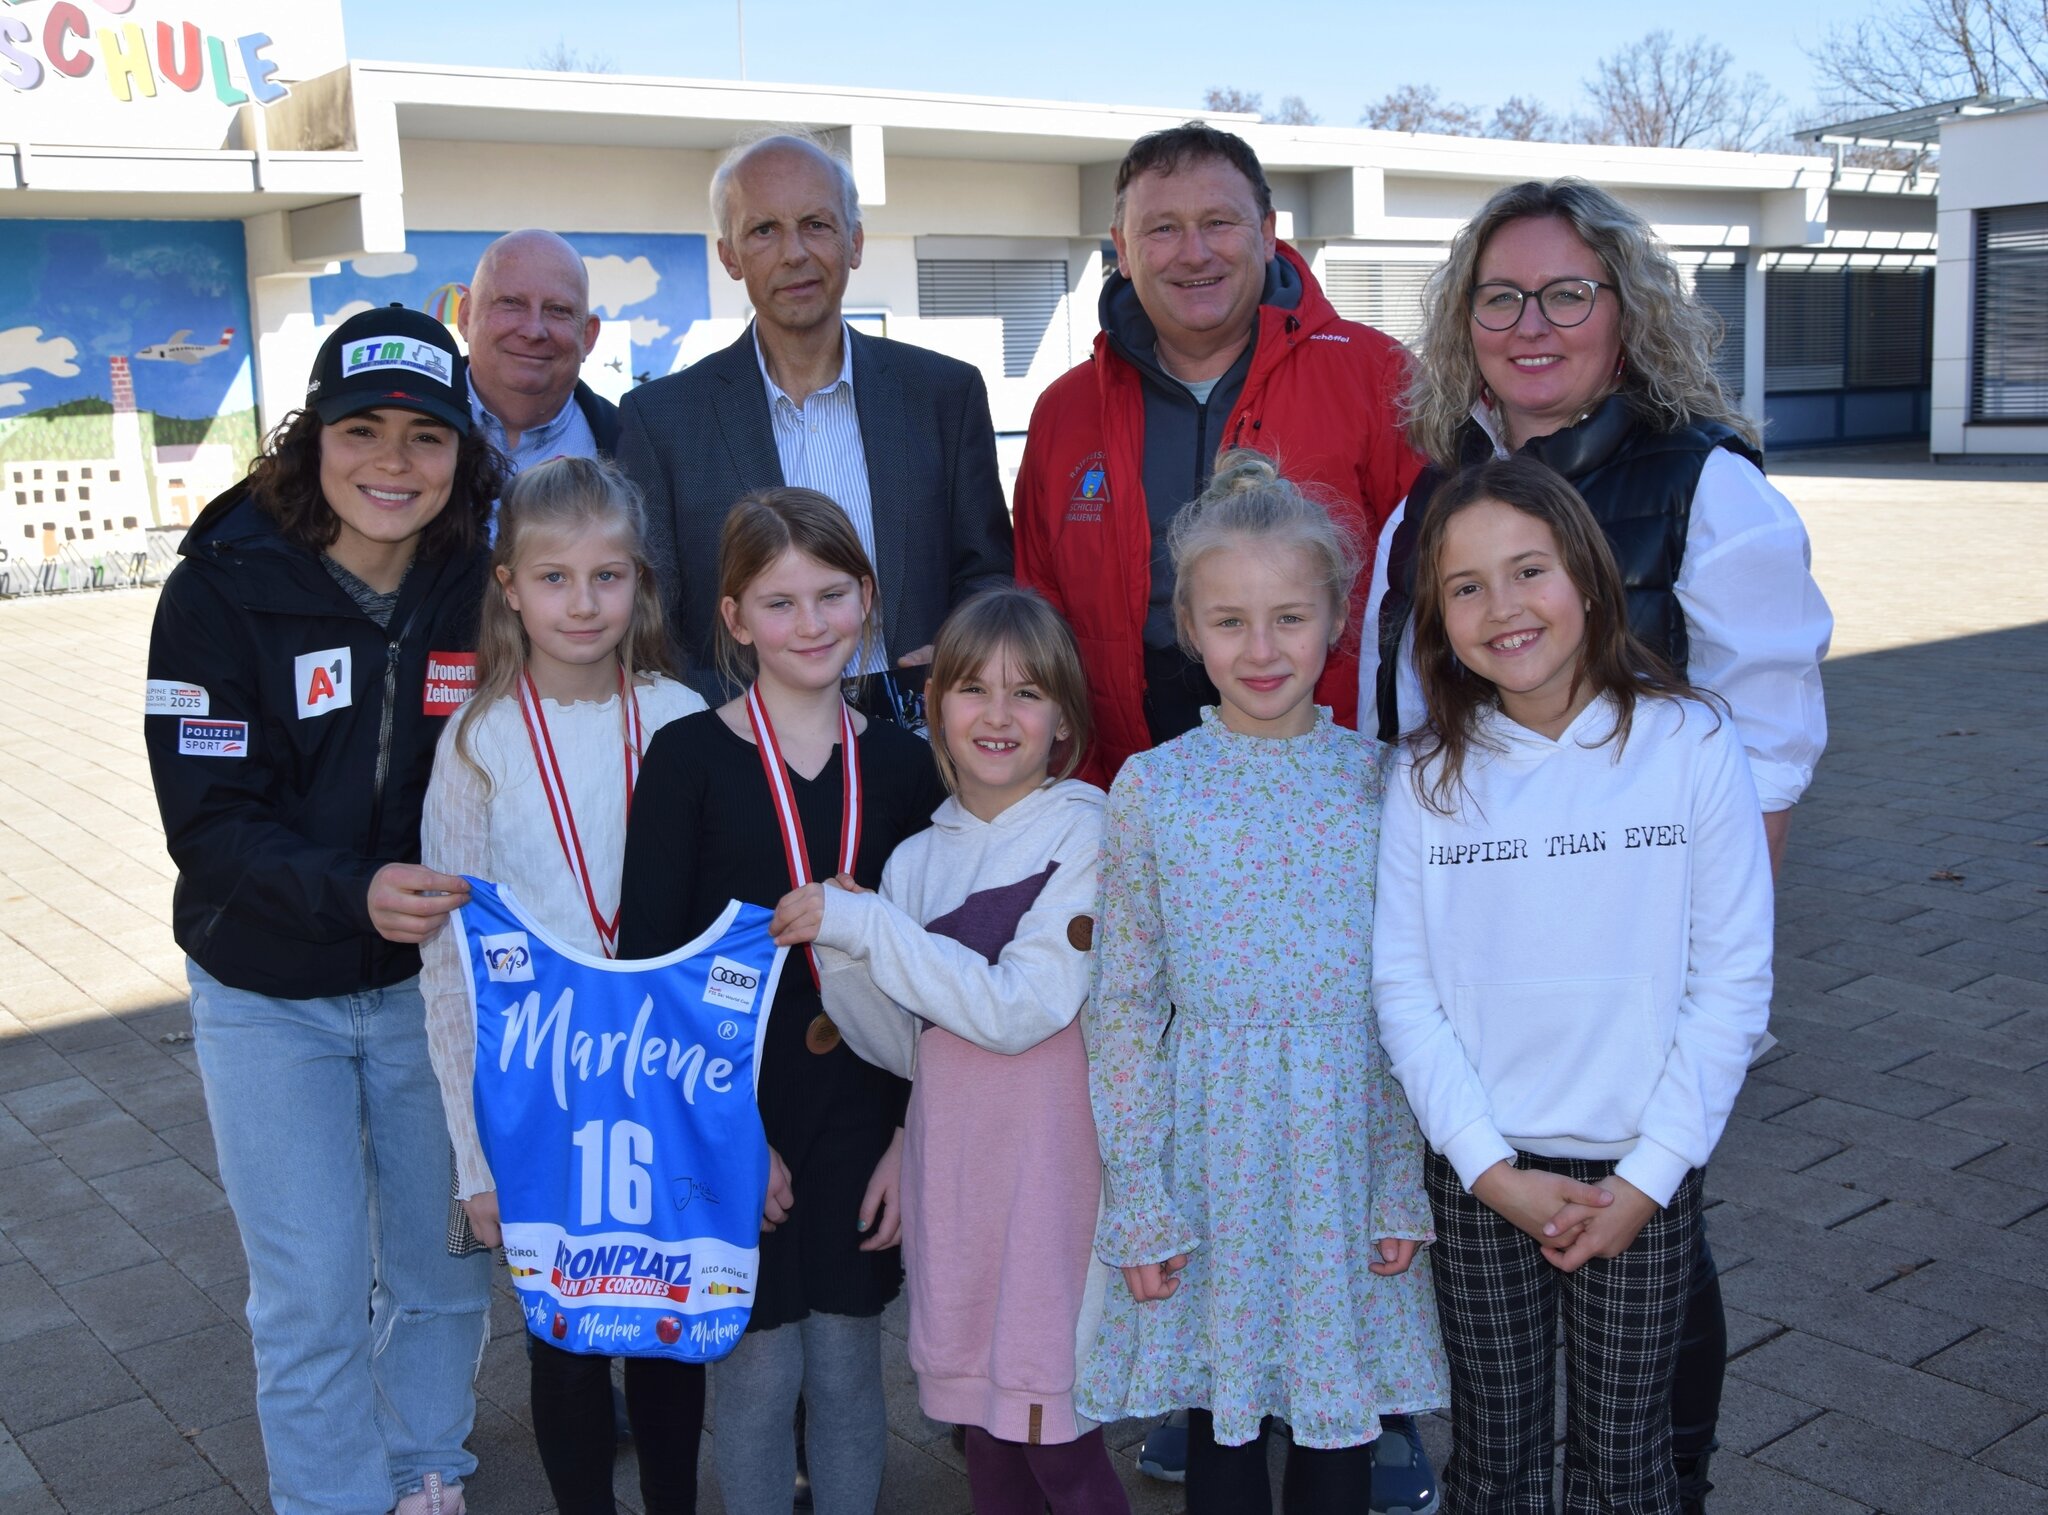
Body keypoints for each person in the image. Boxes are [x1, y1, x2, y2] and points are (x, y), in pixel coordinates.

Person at [1363, 178, 1832, 1511]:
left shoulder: (1711, 486)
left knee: (1656, 1254)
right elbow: (1411, 738)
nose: (1532, 320)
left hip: (1649, 976)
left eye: (1568, 291)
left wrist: (1700, 996)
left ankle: (1665, 1481)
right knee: (1505, 1409)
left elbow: (1770, 750)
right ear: (1466, 319)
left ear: (1625, 313)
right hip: (1493, 985)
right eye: (1501, 294)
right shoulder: (1427, 508)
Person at [142, 305, 508, 1515]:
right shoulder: (218, 588)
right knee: (307, 1296)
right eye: (361, 431)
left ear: (463, 454)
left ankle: (428, 1476)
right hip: (264, 1000)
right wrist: (351, 889)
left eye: (425, 436)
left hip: (428, 996)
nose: (391, 464)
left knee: (446, 1271)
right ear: (311, 441)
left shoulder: (481, 587)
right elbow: (207, 827)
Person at [1371, 455, 1774, 1515]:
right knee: (1493, 1461)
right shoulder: (1423, 778)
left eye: (1528, 570)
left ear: (1589, 581)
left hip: (1637, 1177)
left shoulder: (1690, 741)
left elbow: (1730, 983)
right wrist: (1486, 1167)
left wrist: (1647, 1177)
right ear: (1435, 617)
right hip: (1480, 1179)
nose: (1501, 607)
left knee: (1623, 1466)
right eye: (1464, 586)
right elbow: (1403, 992)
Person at [1082, 452, 1447, 1515]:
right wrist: (1139, 1198)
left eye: (1287, 617)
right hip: (1210, 1157)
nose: (1259, 647)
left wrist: (1394, 1176)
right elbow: (1123, 1008)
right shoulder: (1151, 789)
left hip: (1339, 1150)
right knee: (1219, 1429)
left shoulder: (1383, 785)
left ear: (1336, 618)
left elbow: (1400, 1006)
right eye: (1228, 621)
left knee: (1340, 1425)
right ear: (1187, 630)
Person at [615, 488, 947, 1515]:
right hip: (735, 1107)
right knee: (757, 1377)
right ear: (731, 619)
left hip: (862, 1107)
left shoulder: (899, 763)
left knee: (850, 1367)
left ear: (869, 600)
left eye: (831, 596)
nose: (810, 625)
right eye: (778, 602)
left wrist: (907, 1136)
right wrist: (724, 1136)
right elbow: (655, 970)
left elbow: (933, 965)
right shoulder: (687, 762)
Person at [772, 587, 1128, 1515]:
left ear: (1064, 720)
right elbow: (903, 1045)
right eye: (973, 689)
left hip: (1055, 1187)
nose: (999, 715)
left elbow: (1023, 1008)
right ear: (935, 709)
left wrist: (872, 928)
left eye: (1028, 692)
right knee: (986, 1443)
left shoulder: (1089, 832)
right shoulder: (915, 861)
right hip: (958, 1184)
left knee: (1058, 1445)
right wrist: (846, 949)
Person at [416, 456, 708, 1512]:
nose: (582, 604)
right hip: (537, 1094)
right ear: (508, 587)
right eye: (553, 579)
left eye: (607, 576)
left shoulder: (684, 717)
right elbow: (446, 962)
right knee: (567, 1344)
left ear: (641, 583)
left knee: (671, 1331)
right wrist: (470, 1156)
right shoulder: (479, 740)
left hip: (667, 1080)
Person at [1013, 121, 1422, 787]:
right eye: (1163, 228)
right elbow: (1040, 614)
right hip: (1128, 786)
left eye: (1218, 222)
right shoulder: (1065, 410)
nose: (1193, 252)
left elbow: (1434, 585)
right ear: (1121, 247)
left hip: (1343, 788)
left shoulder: (1376, 378)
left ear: (1267, 230)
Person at [618, 132, 1012, 704]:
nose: (794, 253)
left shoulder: (944, 396)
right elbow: (655, 626)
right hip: (749, 756)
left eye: (816, 224)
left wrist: (960, 651)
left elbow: (988, 574)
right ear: (729, 255)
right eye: (764, 230)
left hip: (921, 752)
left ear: (854, 241)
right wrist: (735, 722)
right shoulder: (663, 421)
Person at [459, 228, 619, 471]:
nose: (534, 331)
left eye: (558, 310)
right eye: (510, 303)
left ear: (588, 335)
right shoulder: (398, 424)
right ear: (466, 317)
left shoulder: (635, 447)